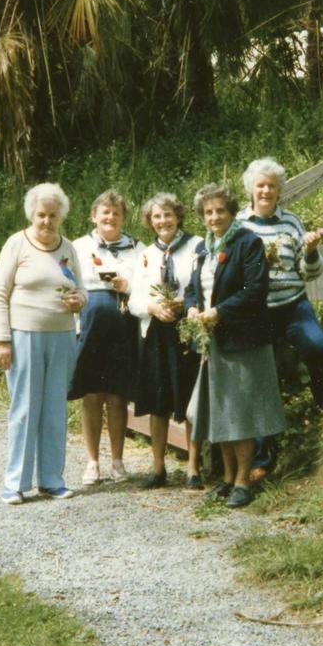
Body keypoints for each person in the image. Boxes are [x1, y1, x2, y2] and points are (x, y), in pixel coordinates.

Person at [185, 183, 286, 508]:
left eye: (220, 211)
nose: (214, 217)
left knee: (240, 413)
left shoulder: (248, 243)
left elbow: (255, 290)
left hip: (242, 340)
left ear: (231, 213)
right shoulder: (204, 247)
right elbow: (193, 288)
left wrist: (219, 312)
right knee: (221, 411)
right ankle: (228, 478)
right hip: (212, 342)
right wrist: (191, 306)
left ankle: (244, 480)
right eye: (208, 212)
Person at [0, 182, 86, 505]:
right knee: (24, 407)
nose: (46, 221)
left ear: (62, 216)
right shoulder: (16, 244)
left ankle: (51, 479)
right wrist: (1, 339)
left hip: (62, 337)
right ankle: (15, 483)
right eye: (41, 215)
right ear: (32, 214)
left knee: (55, 407)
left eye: (52, 215)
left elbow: (82, 290)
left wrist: (79, 300)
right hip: (23, 335)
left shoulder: (68, 249)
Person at [236, 157, 323, 480]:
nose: (266, 191)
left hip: (292, 303)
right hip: (257, 313)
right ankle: (262, 458)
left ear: (279, 191)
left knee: (317, 345)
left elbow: (309, 274)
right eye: (261, 185)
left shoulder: (292, 222)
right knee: (263, 381)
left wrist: (311, 251)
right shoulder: (238, 226)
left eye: (272, 186)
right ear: (251, 189)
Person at [128, 193, 203, 489]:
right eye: (157, 217)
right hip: (157, 331)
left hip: (187, 329)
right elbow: (134, 298)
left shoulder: (196, 246)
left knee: (188, 400)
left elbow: (203, 285)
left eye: (168, 215)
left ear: (179, 216)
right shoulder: (146, 254)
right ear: (150, 222)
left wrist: (185, 303)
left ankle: (193, 468)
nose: (163, 221)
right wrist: (152, 307)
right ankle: (158, 468)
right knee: (158, 402)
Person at [70, 189, 144, 485]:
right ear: (94, 217)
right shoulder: (76, 247)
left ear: (123, 218)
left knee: (117, 396)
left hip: (123, 331)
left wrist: (128, 285)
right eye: (105, 213)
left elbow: (150, 285)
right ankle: (92, 463)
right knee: (91, 396)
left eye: (116, 213)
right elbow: (68, 285)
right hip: (90, 329)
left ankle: (117, 461)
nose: (110, 218)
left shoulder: (138, 249)